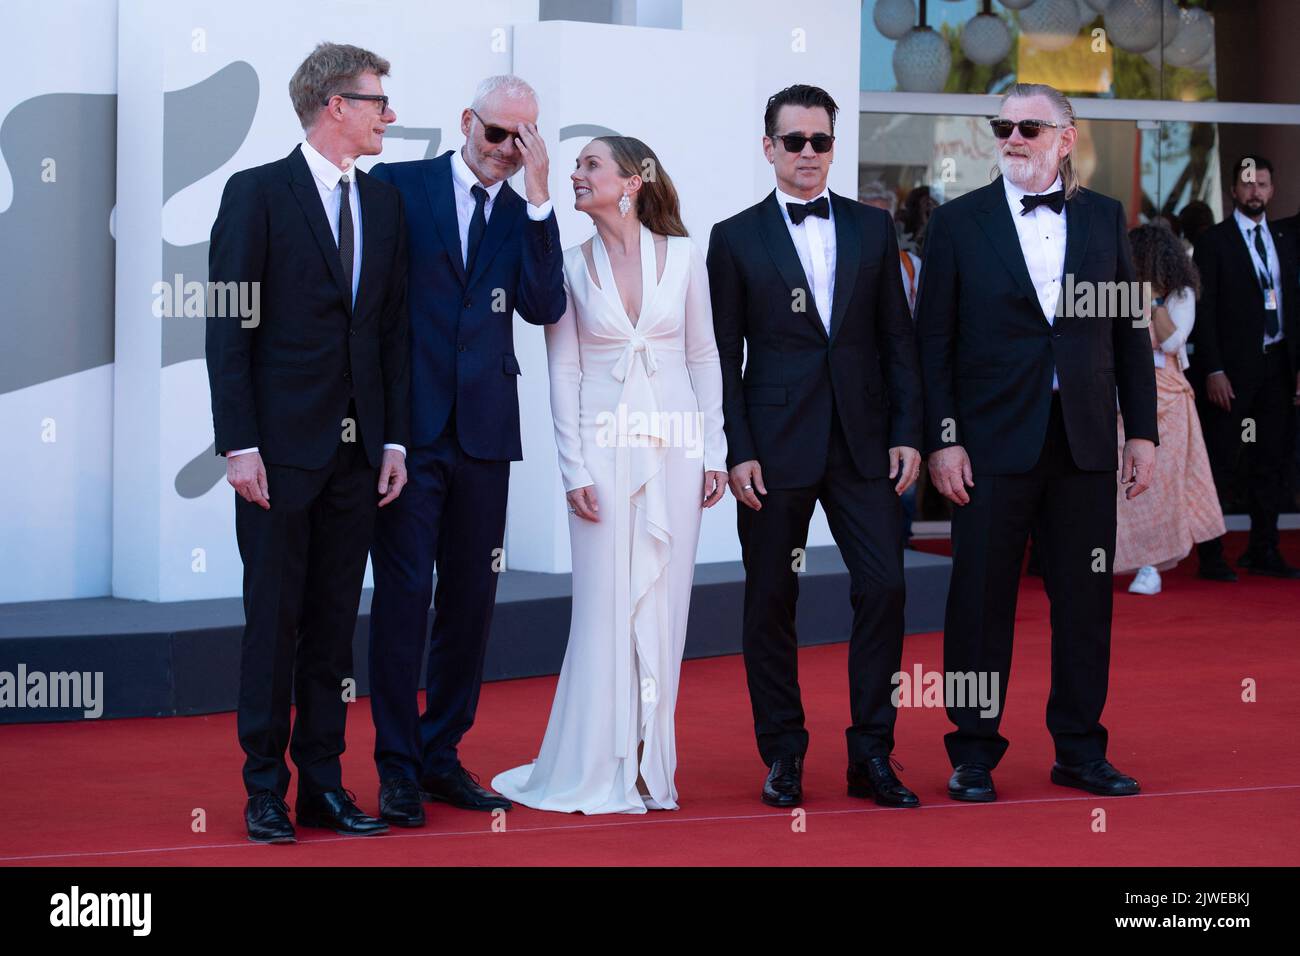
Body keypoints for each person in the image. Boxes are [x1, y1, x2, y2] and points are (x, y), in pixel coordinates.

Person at [916, 82, 1157, 803]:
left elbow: (1128, 333)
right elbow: (934, 344)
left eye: (1029, 126)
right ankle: (973, 753)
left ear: (1065, 136)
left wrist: (1140, 430)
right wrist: (943, 440)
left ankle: (1080, 750)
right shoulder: (958, 223)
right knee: (978, 604)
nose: (1013, 137)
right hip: (988, 446)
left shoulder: (1105, 219)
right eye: (1003, 126)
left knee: (1085, 604)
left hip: (1082, 443)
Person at [206, 42, 410, 843]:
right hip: (279, 454)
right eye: (377, 102)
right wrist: (238, 443)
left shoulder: (385, 205)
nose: (387, 116)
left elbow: (389, 333)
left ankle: (323, 784)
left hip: (359, 458)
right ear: (336, 106)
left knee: (332, 625)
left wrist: (392, 441)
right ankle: (265, 789)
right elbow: (227, 325)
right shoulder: (255, 194)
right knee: (273, 619)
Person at [491, 137, 728, 813]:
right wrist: (571, 467)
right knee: (602, 606)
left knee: (663, 603)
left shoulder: (684, 258)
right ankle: (596, 765)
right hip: (600, 448)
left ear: (631, 181)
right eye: (576, 166)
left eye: (590, 165)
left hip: (675, 446)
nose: (575, 174)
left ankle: (652, 768)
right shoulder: (567, 267)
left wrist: (713, 448)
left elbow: (705, 356)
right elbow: (562, 371)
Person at [708, 85, 924, 809]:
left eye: (820, 141)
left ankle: (872, 753)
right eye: (794, 141)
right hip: (773, 448)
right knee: (771, 599)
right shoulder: (734, 237)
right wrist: (737, 449)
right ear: (767, 146)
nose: (808, 153)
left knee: (885, 588)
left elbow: (898, 339)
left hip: (862, 443)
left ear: (834, 145)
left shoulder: (873, 227)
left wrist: (906, 431)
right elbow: (722, 357)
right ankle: (785, 753)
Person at [365, 75, 566, 827]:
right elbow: (368, 299)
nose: (509, 151)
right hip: (407, 437)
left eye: (525, 138)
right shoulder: (398, 186)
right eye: (497, 135)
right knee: (404, 597)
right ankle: (395, 767)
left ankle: (440, 755)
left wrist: (543, 202)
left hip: (484, 435)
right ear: (465, 123)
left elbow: (546, 307)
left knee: (471, 603)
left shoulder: (525, 213)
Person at [1189, 156, 1300, 580]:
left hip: (1277, 369)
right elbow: (1206, 309)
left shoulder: (1284, 238)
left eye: (1263, 184)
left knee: (1271, 459)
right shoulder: (1215, 241)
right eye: (1248, 184)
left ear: (1272, 190)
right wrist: (1213, 369)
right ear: (1233, 191)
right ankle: (1211, 556)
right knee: (1222, 459)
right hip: (1231, 375)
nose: (1255, 191)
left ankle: (1263, 548)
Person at [1116, 224, 1225, 594]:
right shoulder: (1119, 294)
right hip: (1125, 397)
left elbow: (1174, 340)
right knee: (1122, 480)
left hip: (1171, 397)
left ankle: (1151, 566)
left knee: (1163, 482)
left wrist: (1153, 302)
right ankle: (1118, 558)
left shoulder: (1181, 294)